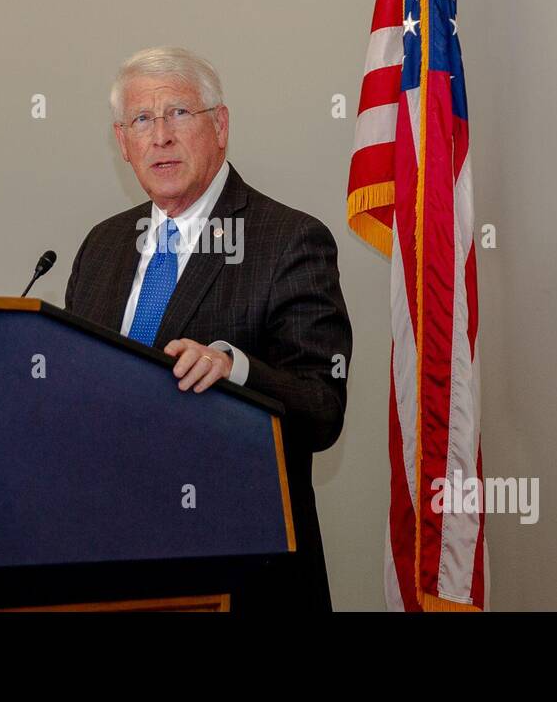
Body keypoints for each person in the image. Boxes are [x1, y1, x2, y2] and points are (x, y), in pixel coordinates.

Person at [64, 46, 353, 611]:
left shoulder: (288, 240)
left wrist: (235, 369)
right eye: (142, 120)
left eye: (179, 114)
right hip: (106, 563)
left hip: (237, 575)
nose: (161, 137)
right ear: (123, 143)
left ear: (219, 126)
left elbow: (322, 410)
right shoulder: (102, 247)